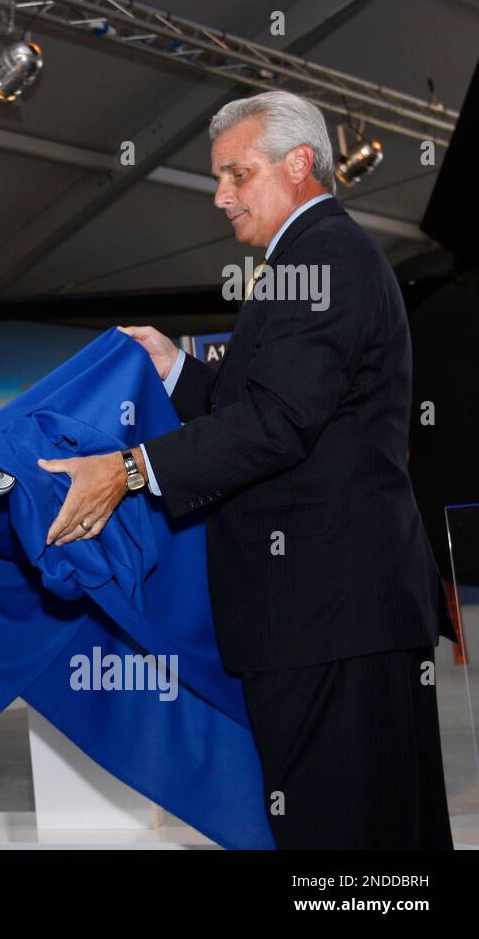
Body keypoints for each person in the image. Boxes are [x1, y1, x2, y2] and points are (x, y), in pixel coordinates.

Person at [37, 90, 453, 848]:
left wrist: (127, 470)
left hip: (329, 617)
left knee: (344, 844)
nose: (221, 196)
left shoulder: (321, 257)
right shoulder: (309, 259)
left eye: (237, 174)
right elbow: (267, 404)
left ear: (300, 165)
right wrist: (172, 370)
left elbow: (277, 425)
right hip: (337, 614)